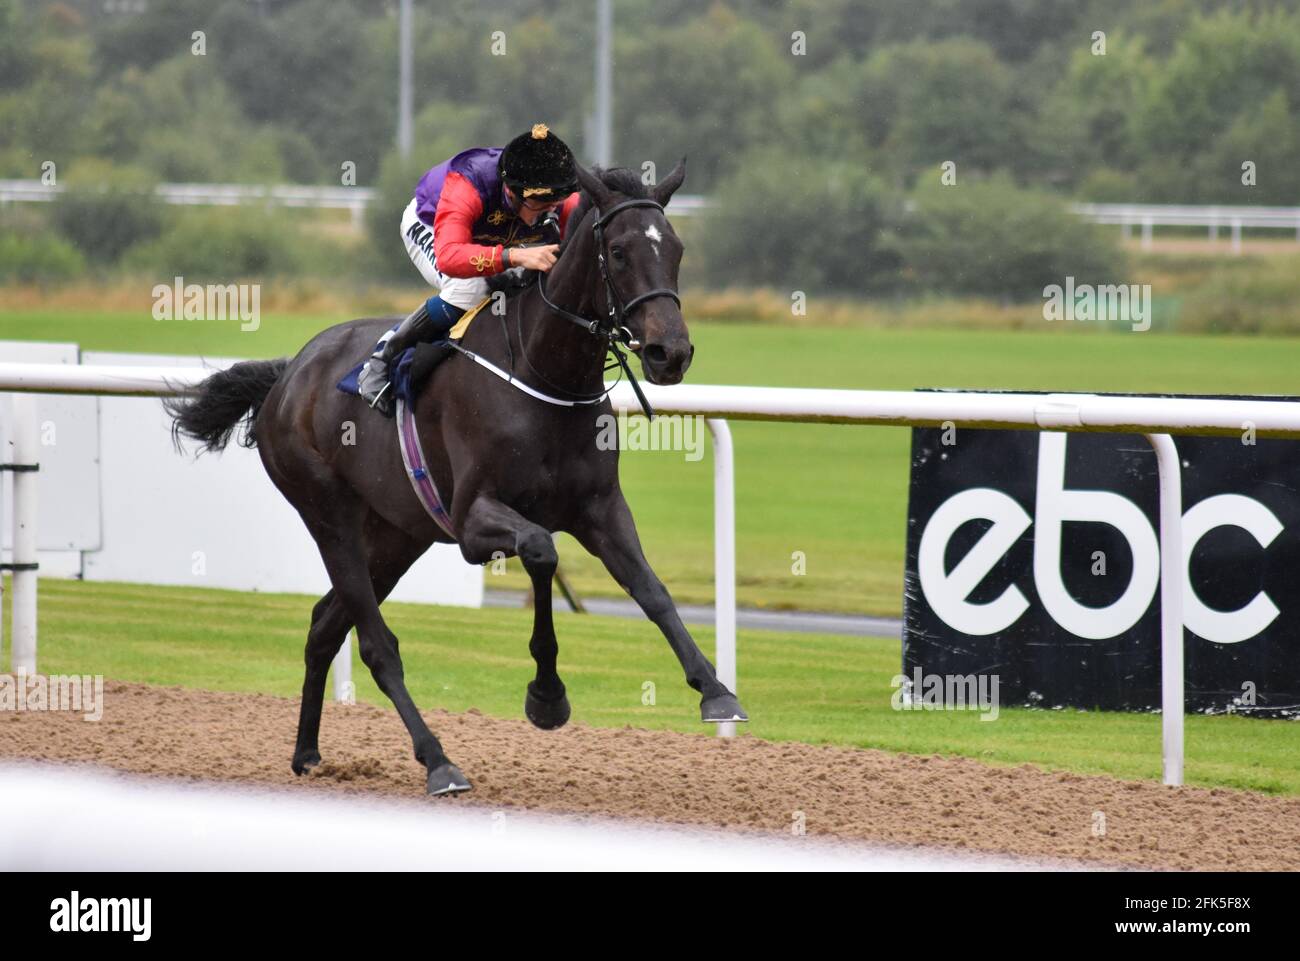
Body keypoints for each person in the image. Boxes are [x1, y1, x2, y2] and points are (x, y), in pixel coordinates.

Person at [357, 123, 583, 415]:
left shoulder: (557, 200)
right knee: (471, 287)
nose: (551, 210)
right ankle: (384, 357)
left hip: (499, 234)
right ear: (511, 192)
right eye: (540, 203)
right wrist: (512, 257)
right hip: (431, 225)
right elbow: (450, 256)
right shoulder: (467, 183)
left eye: (556, 202)